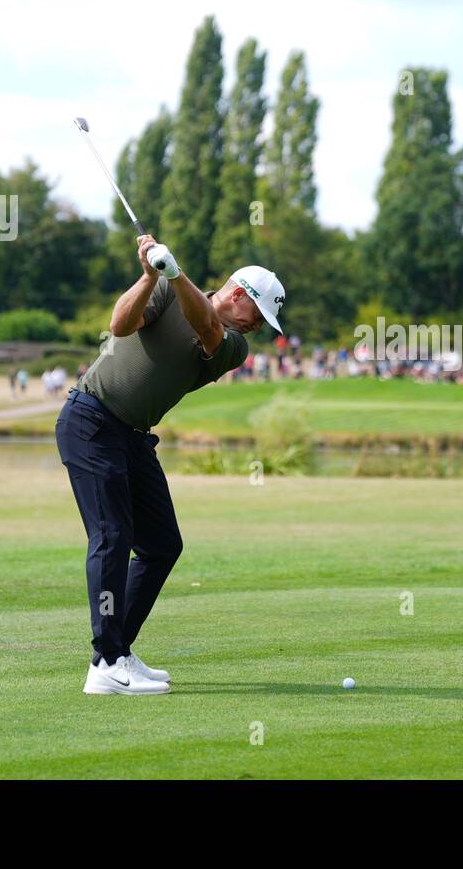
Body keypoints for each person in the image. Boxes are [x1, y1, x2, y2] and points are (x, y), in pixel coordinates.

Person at [57, 234, 284, 695]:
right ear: (238, 294)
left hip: (133, 438)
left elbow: (207, 329)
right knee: (112, 536)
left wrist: (174, 274)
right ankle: (105, 663)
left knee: (162, 545)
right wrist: (148, 276)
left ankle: (116, 650)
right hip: (90, 420)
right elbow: (119, 326)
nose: (259, 326)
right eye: (258, 315)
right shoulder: (162, 285)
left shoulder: (233, 345)